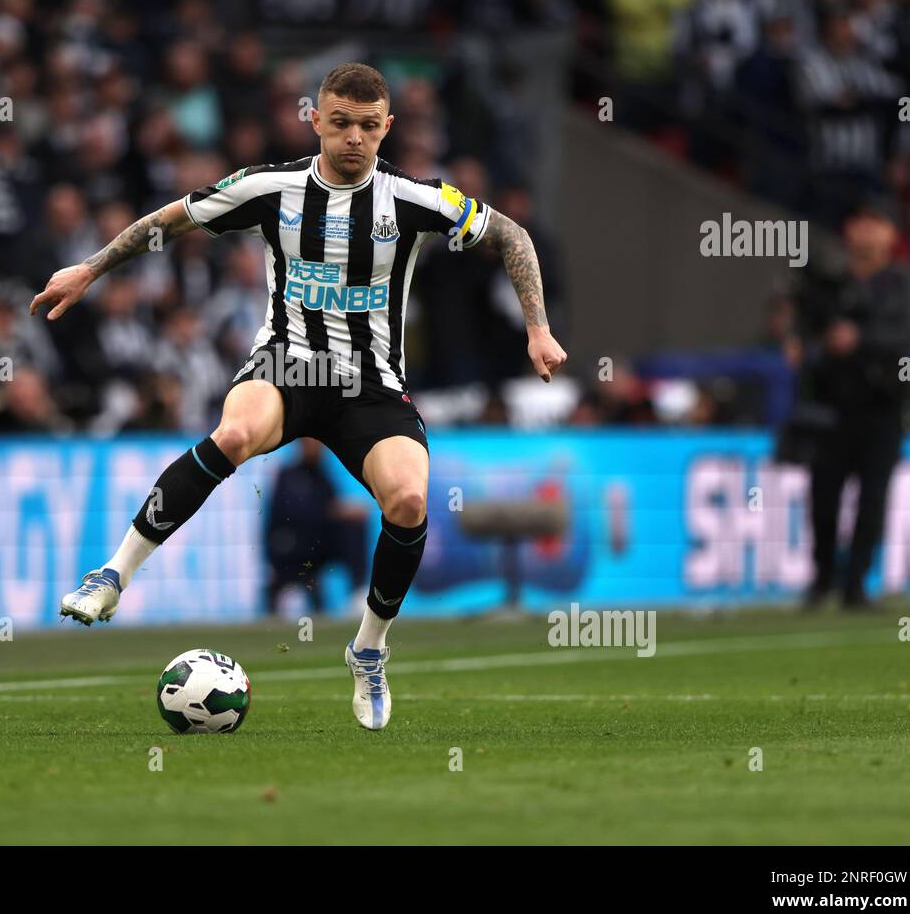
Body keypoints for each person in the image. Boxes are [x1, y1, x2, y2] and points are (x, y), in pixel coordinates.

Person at [31, 62, 567, 729]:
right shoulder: (269, 188)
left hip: (370, 384)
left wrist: (537, 331)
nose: (353, 138)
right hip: (286, 365)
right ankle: (111, 575)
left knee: (407, 500)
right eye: (339, 123)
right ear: (315, 119)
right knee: (230, 436)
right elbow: (171, 220)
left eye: (368, 127)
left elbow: (511, 235)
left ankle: (368, 650)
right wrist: (89, 268)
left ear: (387, 128)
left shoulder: (413, 199)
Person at [794, 204, 910, 610]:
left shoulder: (899, 285)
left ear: (888, 235)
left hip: (882, 408)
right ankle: (822, 578)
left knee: (872, 500)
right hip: (832, 409)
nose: (865, 232)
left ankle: (856, 585)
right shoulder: (828, 283)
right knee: (823, 497)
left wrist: (858, 338)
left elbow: (905, 337)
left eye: (875, 224)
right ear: (848, 230)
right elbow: (802, 334)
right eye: (859, 222)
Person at [264, 437, 368, 617]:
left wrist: (345, 512)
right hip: (294, 547)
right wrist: (333, 511)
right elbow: (294, 514)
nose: (317, 448)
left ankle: (358, 592)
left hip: (319, 544)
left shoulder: (322, 474)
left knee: (354, 527)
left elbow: (330, 509)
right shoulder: (288, 476)